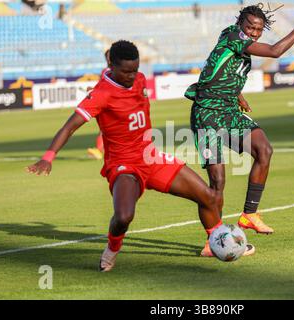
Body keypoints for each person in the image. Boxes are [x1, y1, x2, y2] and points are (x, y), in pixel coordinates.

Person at [27, 40, 225, 272]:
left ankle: (217, 243)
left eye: (135, 69)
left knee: (209, 196)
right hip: (123, 165)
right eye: (126, 71)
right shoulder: (101, 94)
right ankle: (111, 251)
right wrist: (48, 157)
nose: (132, 76)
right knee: (123, 216)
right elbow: (69, 127)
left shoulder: (139, 79)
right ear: (111, 65)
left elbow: (126, 74)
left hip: (151, 158)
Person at [184, 1, 294, 256]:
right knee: (217, 181)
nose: (254, 33)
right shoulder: (234, 35)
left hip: (229, 111)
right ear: (240, 25)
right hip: (208, 114)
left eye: (258, 29)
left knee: (264, 149)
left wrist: (237, 94)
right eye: (250, 27)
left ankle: (249, 214)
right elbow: (276, 51)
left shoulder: (242, 46)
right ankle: (213, 241)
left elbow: (222, 71)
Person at [87, 49, 110, 160]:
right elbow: (102, 85)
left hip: (109, 102)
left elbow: (103, 86)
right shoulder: (120, 70)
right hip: (113, 102)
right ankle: (100, 149)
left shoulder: (107, 71)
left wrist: (94, 90)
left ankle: (99, 150)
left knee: (104, 128)